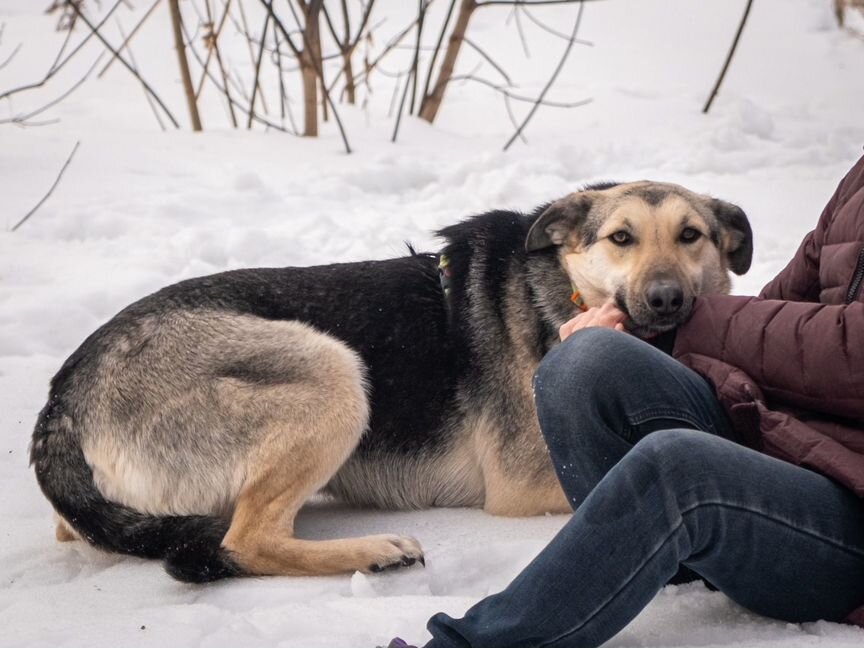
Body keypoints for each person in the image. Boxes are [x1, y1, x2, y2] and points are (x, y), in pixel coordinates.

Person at [382, 152, 864, 648]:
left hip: (846, 528)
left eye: (688, 236)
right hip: (792, 451)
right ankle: (650, 548)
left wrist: (694, 324)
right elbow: (782, 311)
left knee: (678, 467)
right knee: (582, 361)